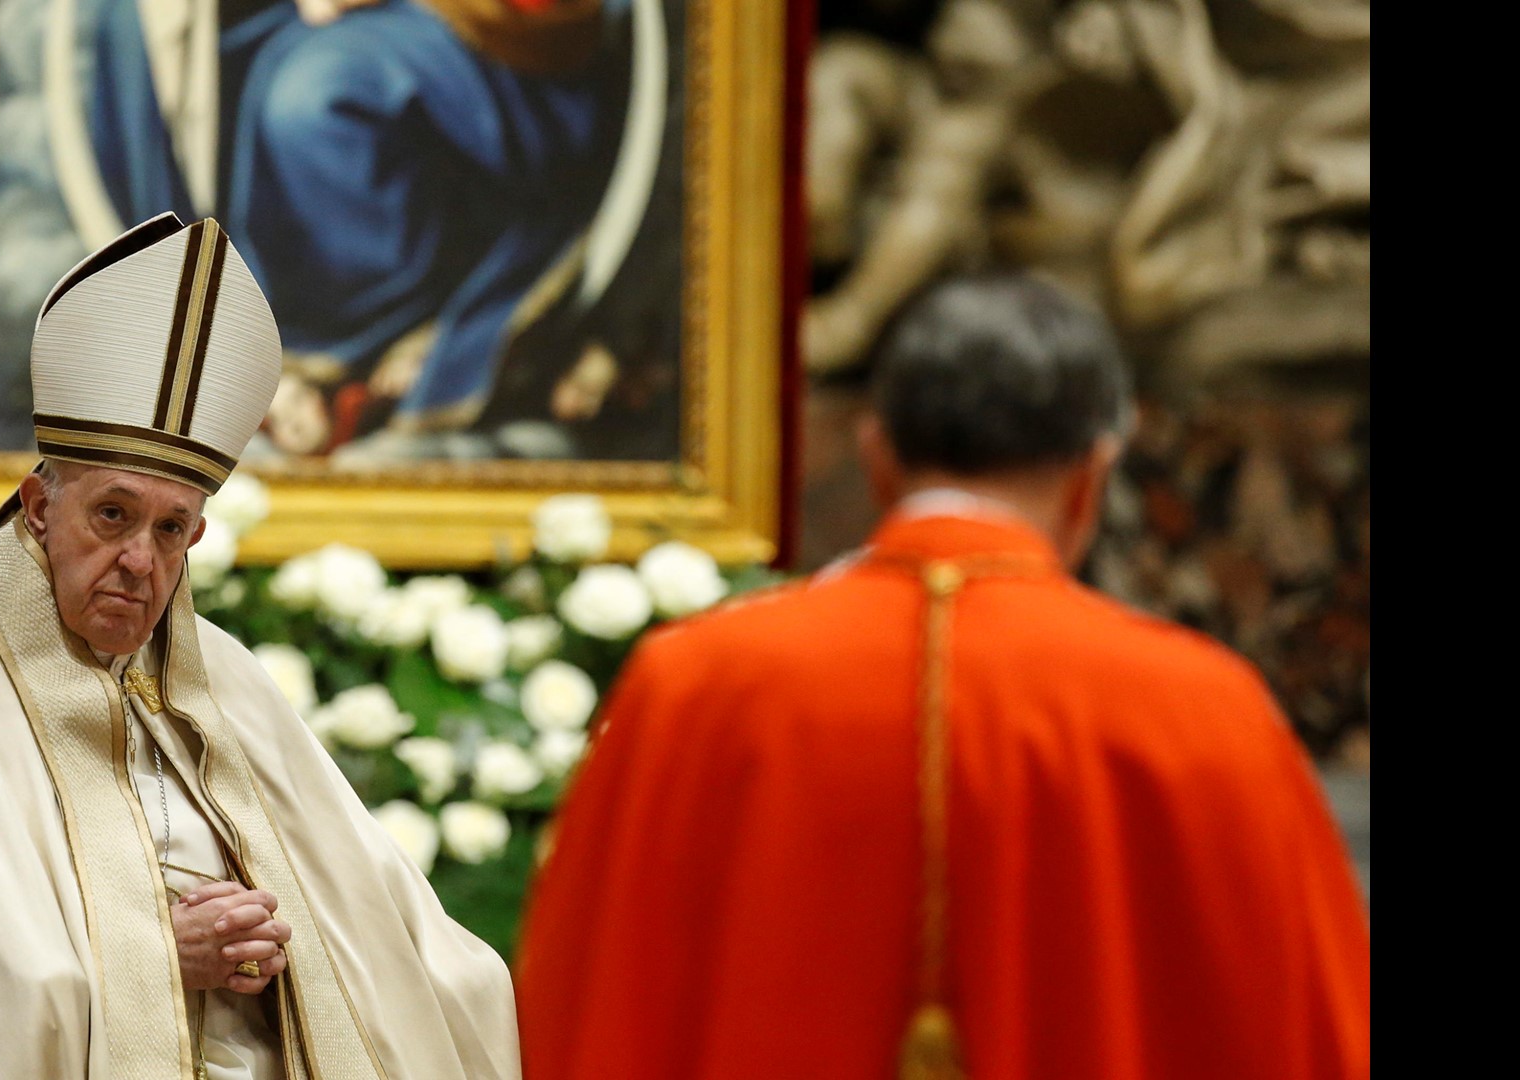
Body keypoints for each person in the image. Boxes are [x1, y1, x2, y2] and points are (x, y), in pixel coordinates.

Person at [513, 273, 1370, 1079]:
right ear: (1094, 475)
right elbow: (1317, 1034)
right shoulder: (1204, 709)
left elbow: (575, 1015)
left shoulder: (692, 686)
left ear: (876, 457)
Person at [0, 212, 520, 1078]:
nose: (139, 560)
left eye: (170, 529)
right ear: (39, 508)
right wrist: (154, 958)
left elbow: (378, 917)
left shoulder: (224, 676)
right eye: (113, 515)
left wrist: (272, 946)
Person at [84, 0, 629, 454]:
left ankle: (393, 331)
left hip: (501, 34)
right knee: (158, 37)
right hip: (326, 21)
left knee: (317, 100)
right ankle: (291, 345)